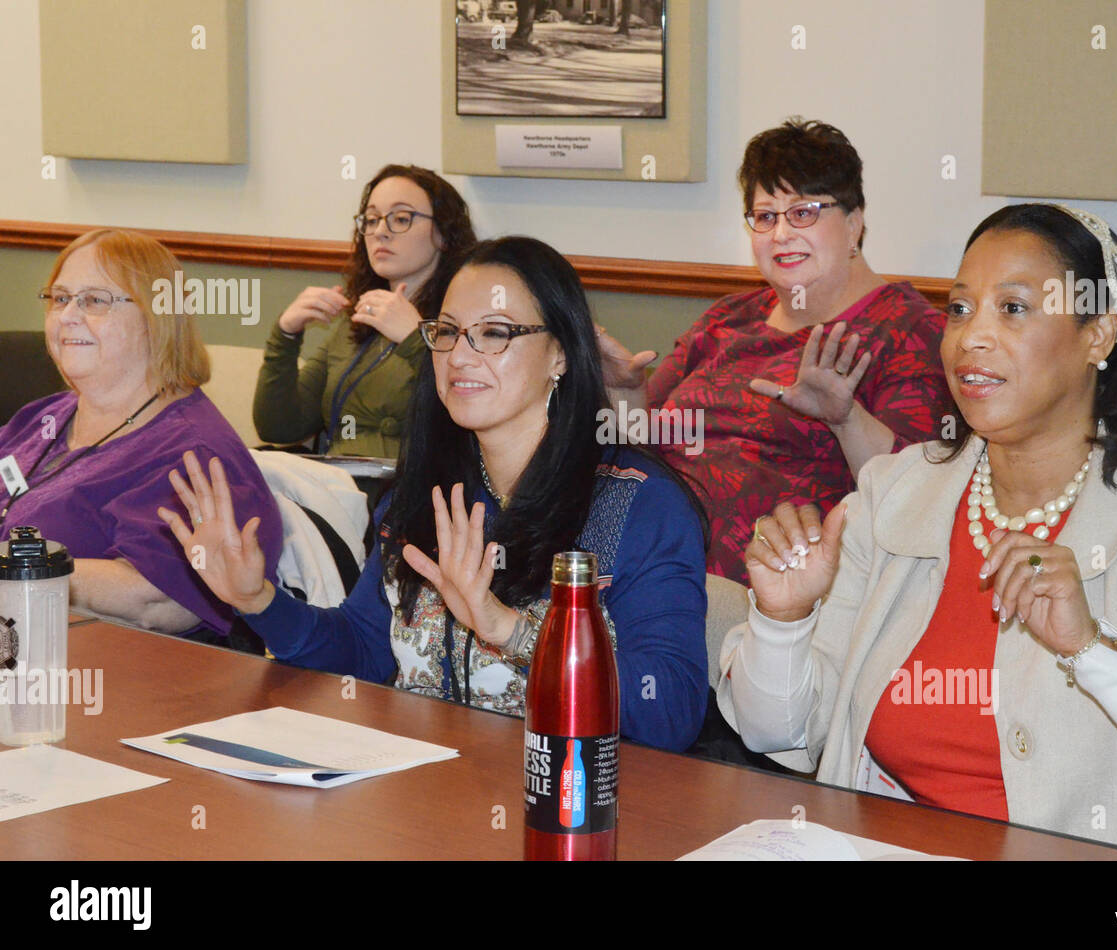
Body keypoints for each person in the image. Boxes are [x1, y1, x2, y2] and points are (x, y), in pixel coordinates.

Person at [720, 204, 1117, 859]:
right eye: (961, 309)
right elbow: (783, 736)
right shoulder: (896, 493)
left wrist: (1096, 655)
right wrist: (782, 621)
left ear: (1099, 335)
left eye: (1014, 309)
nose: (972, 339)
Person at [161, 237, 710, 752]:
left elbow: (670, 712)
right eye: (446, 331)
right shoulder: (429, 487)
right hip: (423, 793)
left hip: (569, 808)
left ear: (562, 354)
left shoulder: (638, 504)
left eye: (494, 333)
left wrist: (509, 630)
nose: (459, 356)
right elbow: (363, 651)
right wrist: (258, 600)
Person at [599, 119, 950, 583]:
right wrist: (624, 393)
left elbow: (915, 501)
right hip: (648, 547)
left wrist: (845, 419)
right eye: (765, 217)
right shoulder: (729, 317)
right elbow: (636, 443)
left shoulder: (910, 330)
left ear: (854, 223)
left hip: (766, 589)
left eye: (803, 212)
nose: (781, 233)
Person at [0, 229, 281, 639]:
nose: (67, 316)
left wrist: (15, 572)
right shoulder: (43, 416)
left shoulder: (193, 453)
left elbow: (156, 601)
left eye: (94, 300)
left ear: (156, 317)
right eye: (60, 298)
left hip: (113, 677)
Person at [253, 164, 476, 457]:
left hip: (409, 493)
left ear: (443, 233)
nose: (381, 232)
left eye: (401, 218)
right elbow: (279, 427)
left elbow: (464, 426)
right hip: (338, 488)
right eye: (371, 220)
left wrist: (415, 338)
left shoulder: (467, 320)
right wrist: (285, 334)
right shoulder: (357, 319)